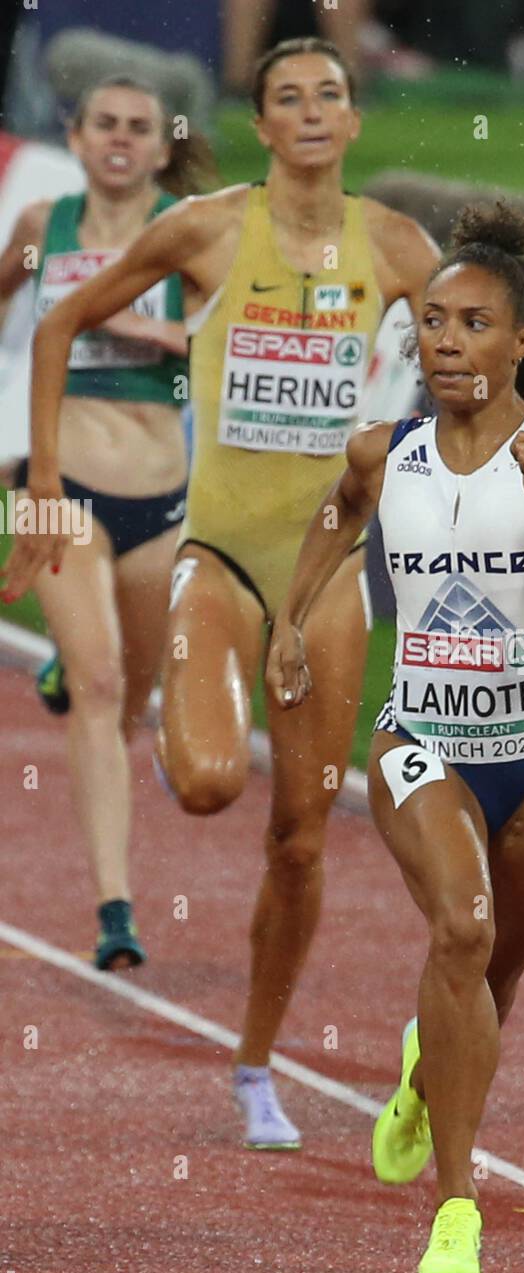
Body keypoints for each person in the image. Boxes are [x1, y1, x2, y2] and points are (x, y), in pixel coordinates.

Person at [2, 38, 439, 1150]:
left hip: (330, 575)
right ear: (259, 123)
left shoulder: (394, 245)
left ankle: (255, 1065)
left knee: (298, 837)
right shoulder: (205, 230)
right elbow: (56, 323)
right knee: (203, 785)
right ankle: (175, 722)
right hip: (221, 554)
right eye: (285, 96)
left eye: (327, 96)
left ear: (350, 123)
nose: (307, 112)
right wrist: (43, 484)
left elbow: (470, 365)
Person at [267, 201, 524, 1273]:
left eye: (471, 324)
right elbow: (338, 516)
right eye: (429, 321)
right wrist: (293, 621)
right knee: (462, 928)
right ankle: (456, 1212)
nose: (442, 341)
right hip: (418, 744)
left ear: (520, 342)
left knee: (493, 974)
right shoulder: (381, 452)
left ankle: (421, 1074)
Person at [0, 76, 212, 969]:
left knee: (130, 691)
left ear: (163, 148)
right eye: (104, 125)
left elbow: (240, 338)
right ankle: (114, 908)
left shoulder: (192, 230)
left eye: (138, 128)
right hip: (59, 486)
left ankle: (75, 666)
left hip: (161, 497)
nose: (121, 140)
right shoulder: (40, 227)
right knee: (95, 685)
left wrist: (143, 329)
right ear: (77, 137)